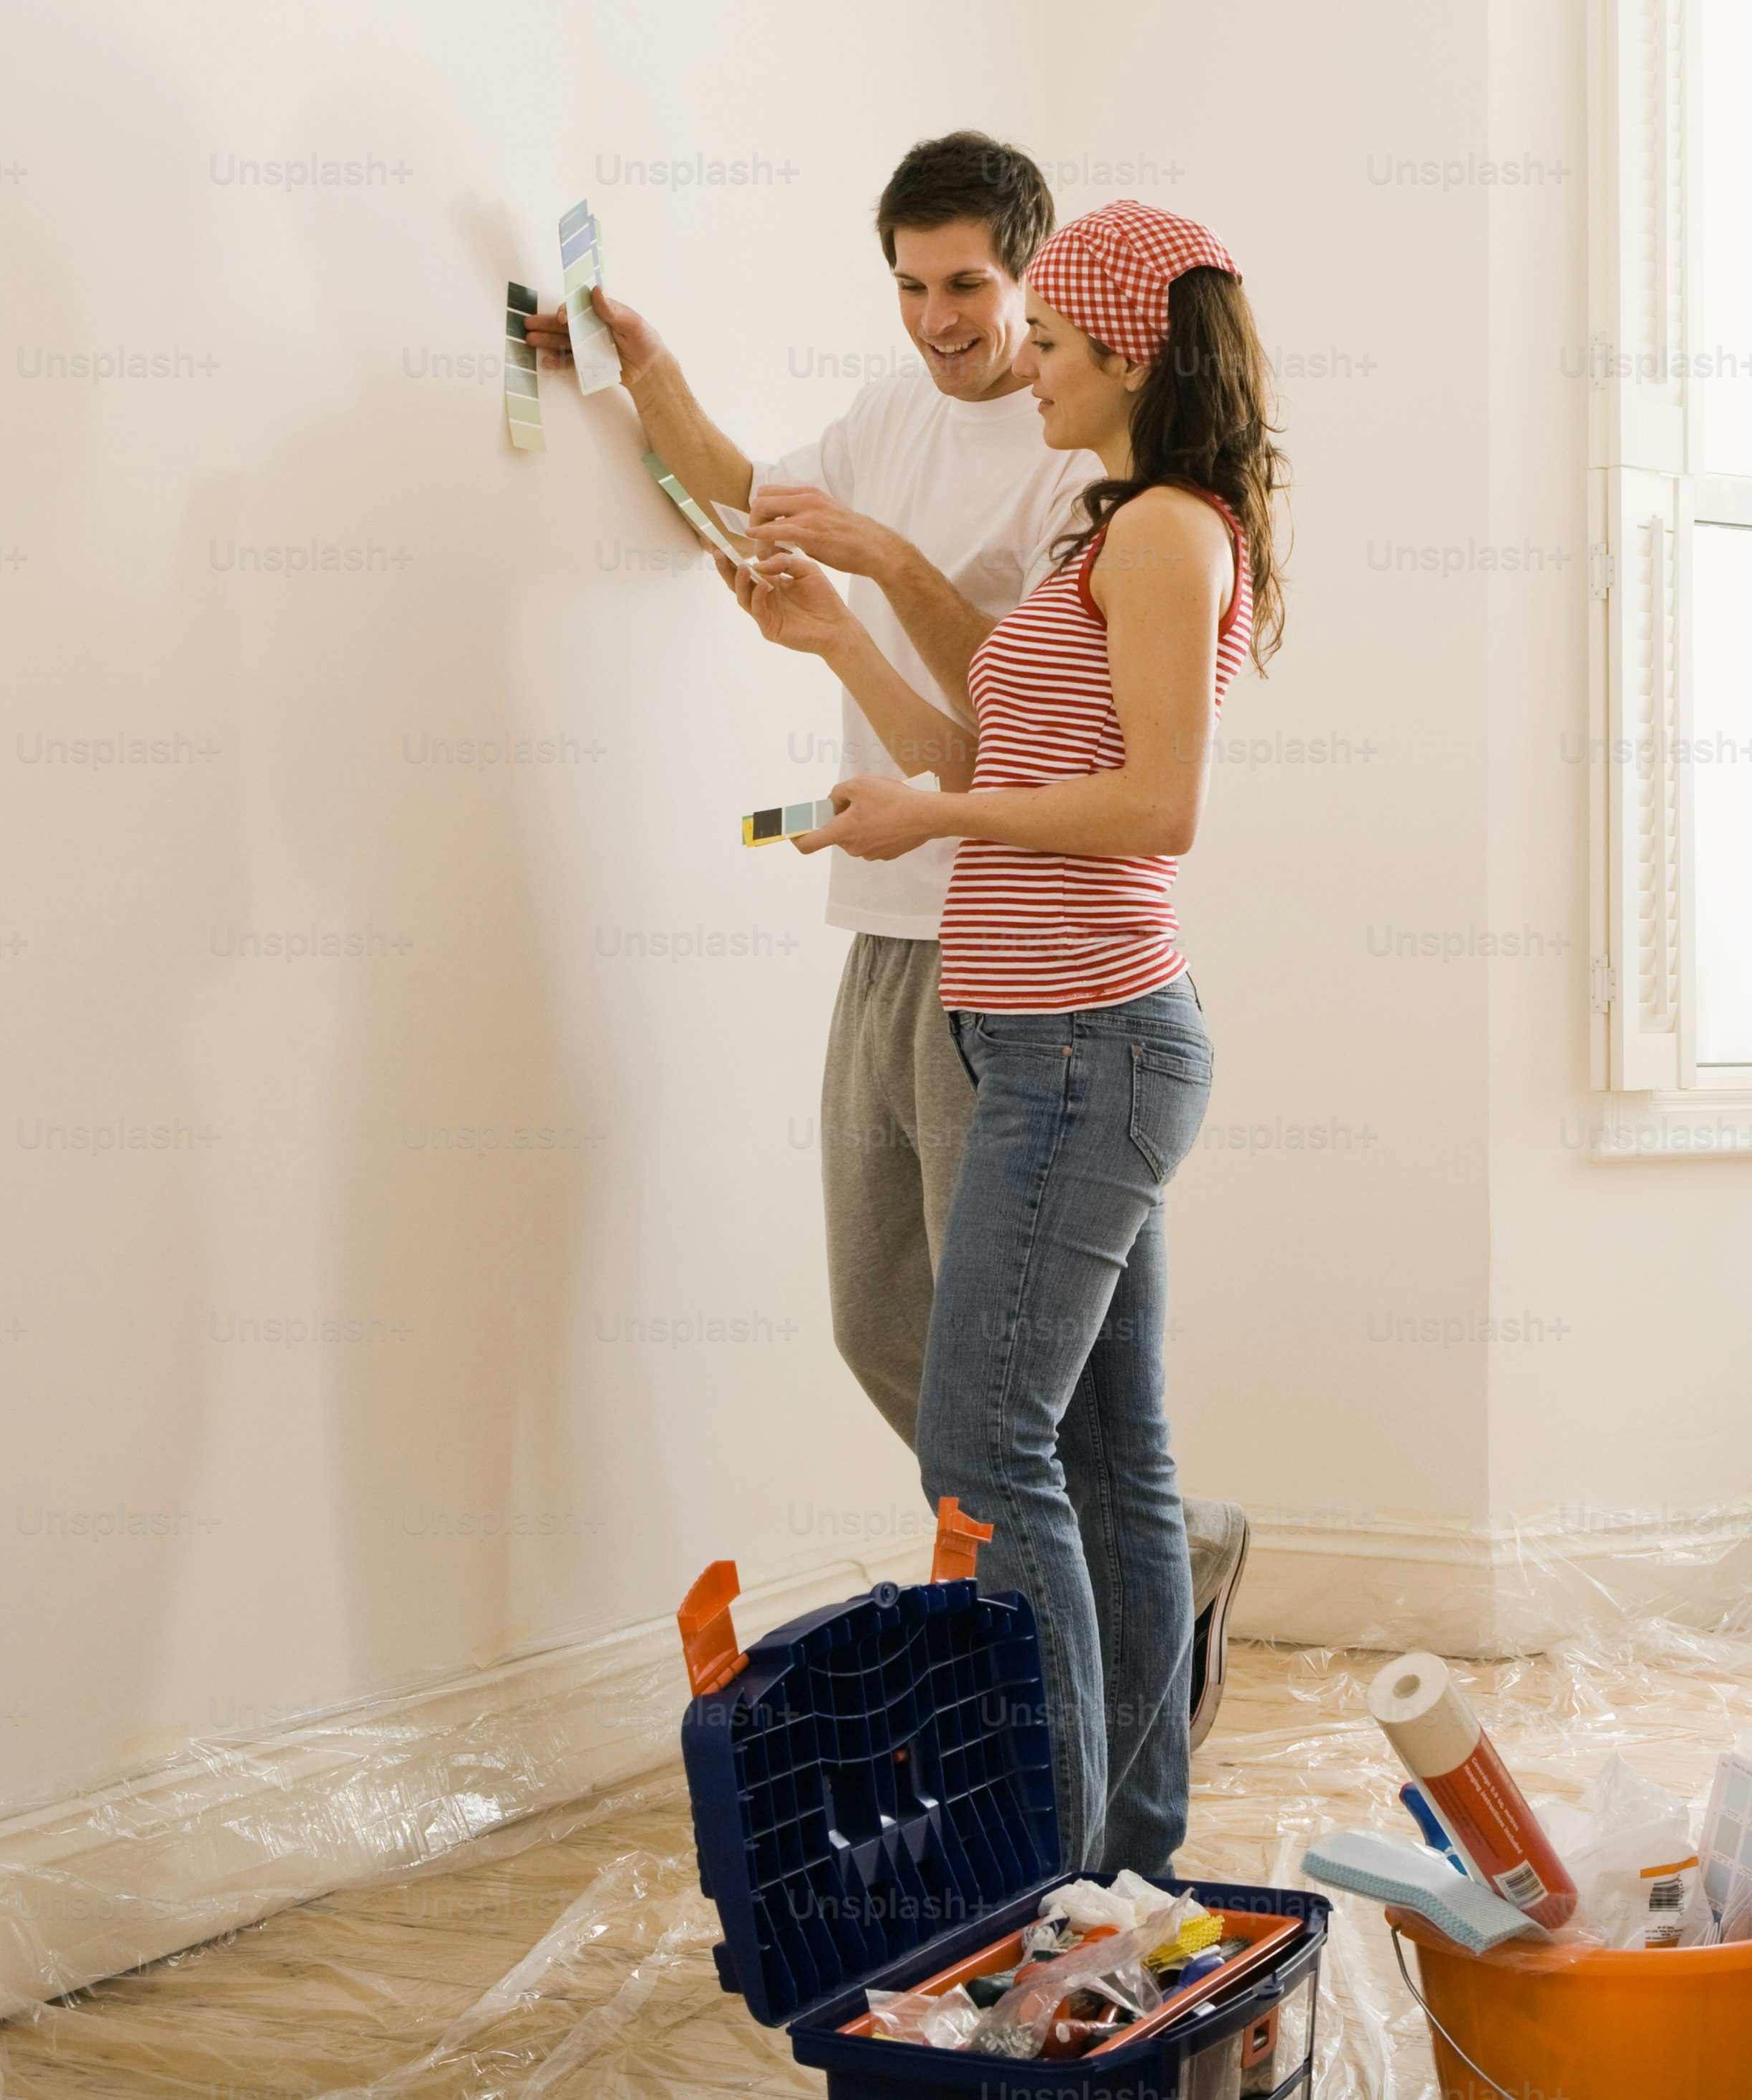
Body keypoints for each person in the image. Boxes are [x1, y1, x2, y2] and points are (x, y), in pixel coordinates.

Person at [731, 198, 1285, 1879]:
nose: (1023, 363)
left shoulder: (1175, 530)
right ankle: (1125, 1861)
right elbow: (990, 740)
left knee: (984, 1445)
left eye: (1049, 339)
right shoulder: (1106, 530)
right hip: (1044, 1045)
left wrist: (938, 814)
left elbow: (1158, 808)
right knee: (1113, 1469)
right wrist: (842, 647)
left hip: (1091, 1046)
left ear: (1127, 350)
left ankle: (1042, 1862)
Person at [539, 134, 1098, 1451]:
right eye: (910, 288)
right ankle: (1155, 1554)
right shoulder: (889, 413)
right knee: (883, 1322)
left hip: (1005, 934)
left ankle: (1066, 1605)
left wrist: (889, 566)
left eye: (964, 287)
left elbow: (1018, 725)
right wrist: (642, 376)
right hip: (882, 919)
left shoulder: (1072, 450)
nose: (937, 323)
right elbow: (739, 506)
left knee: (992, 1350)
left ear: (1029, 274)